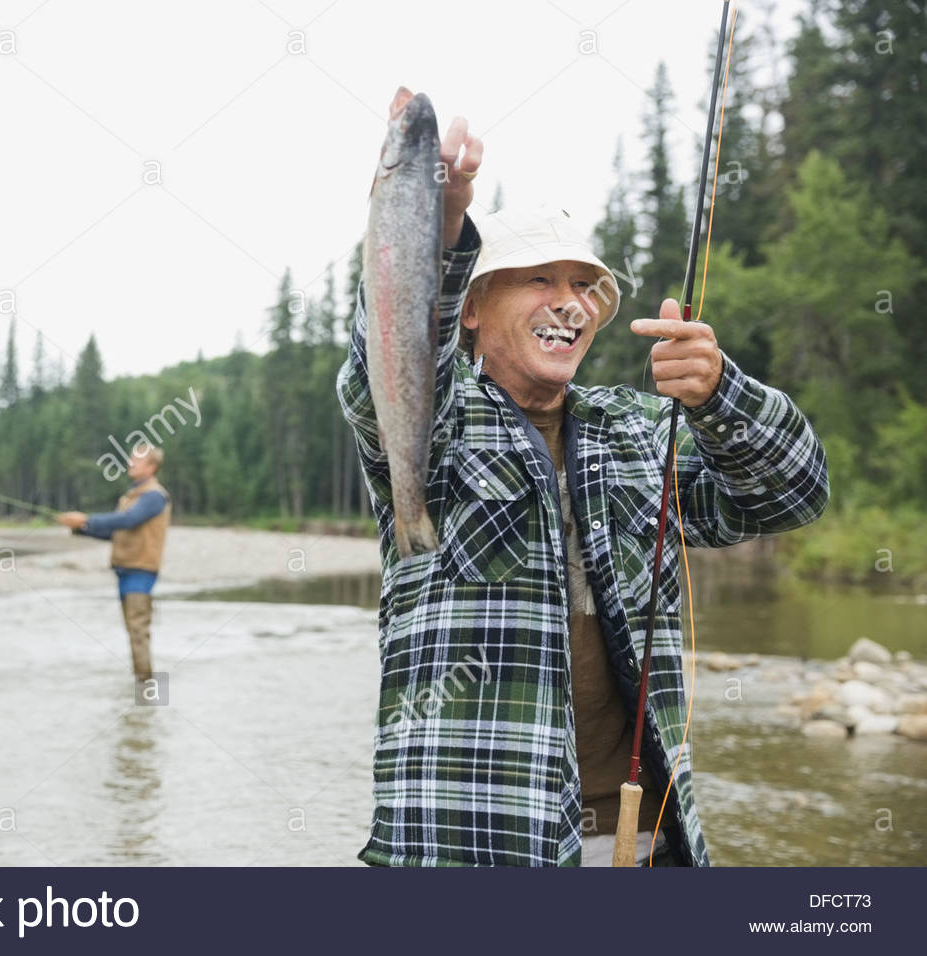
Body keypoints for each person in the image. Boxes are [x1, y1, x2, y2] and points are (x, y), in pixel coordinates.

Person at [336, 91, 830, 866]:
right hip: (471, 844)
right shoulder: (434, 425)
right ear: (470, 308)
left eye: (582, 286)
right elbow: (389, 352)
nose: (568, 304)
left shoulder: (636, 430)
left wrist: (720, 392)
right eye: (538, 281)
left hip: (635, 840)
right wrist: (433, 220)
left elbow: (791, 494)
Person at [57, 442, 171, 684]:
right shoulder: (131, 496)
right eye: (131, 458)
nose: (130, 463)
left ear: (151, 467)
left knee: (138, 631)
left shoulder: (154, 497)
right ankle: (142, 686)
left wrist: (86, 518)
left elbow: (128, 520)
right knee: (133, 631)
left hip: (141, 571)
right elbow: (117, 531)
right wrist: (81, 528)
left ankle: (147, 688)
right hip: (125, 570)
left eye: (137, 459)